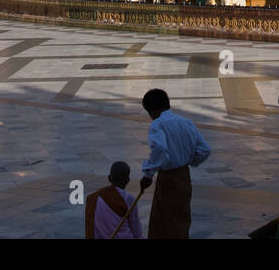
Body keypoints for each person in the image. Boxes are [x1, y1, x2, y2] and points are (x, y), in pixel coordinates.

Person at [139, 88, 211, 239]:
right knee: (181, 219)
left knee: (166, 222)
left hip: (168, 179)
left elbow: (159, 149)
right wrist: (190, 160)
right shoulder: (186, 122)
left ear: (151, 110)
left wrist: (148, 174)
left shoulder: (157, 125)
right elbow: (204, 149)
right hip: (184, 177)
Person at [85, 161, 143, 239]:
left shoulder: (93, 198)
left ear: (109, 178)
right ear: (128, 180)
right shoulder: (128, 199)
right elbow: (136, 232)